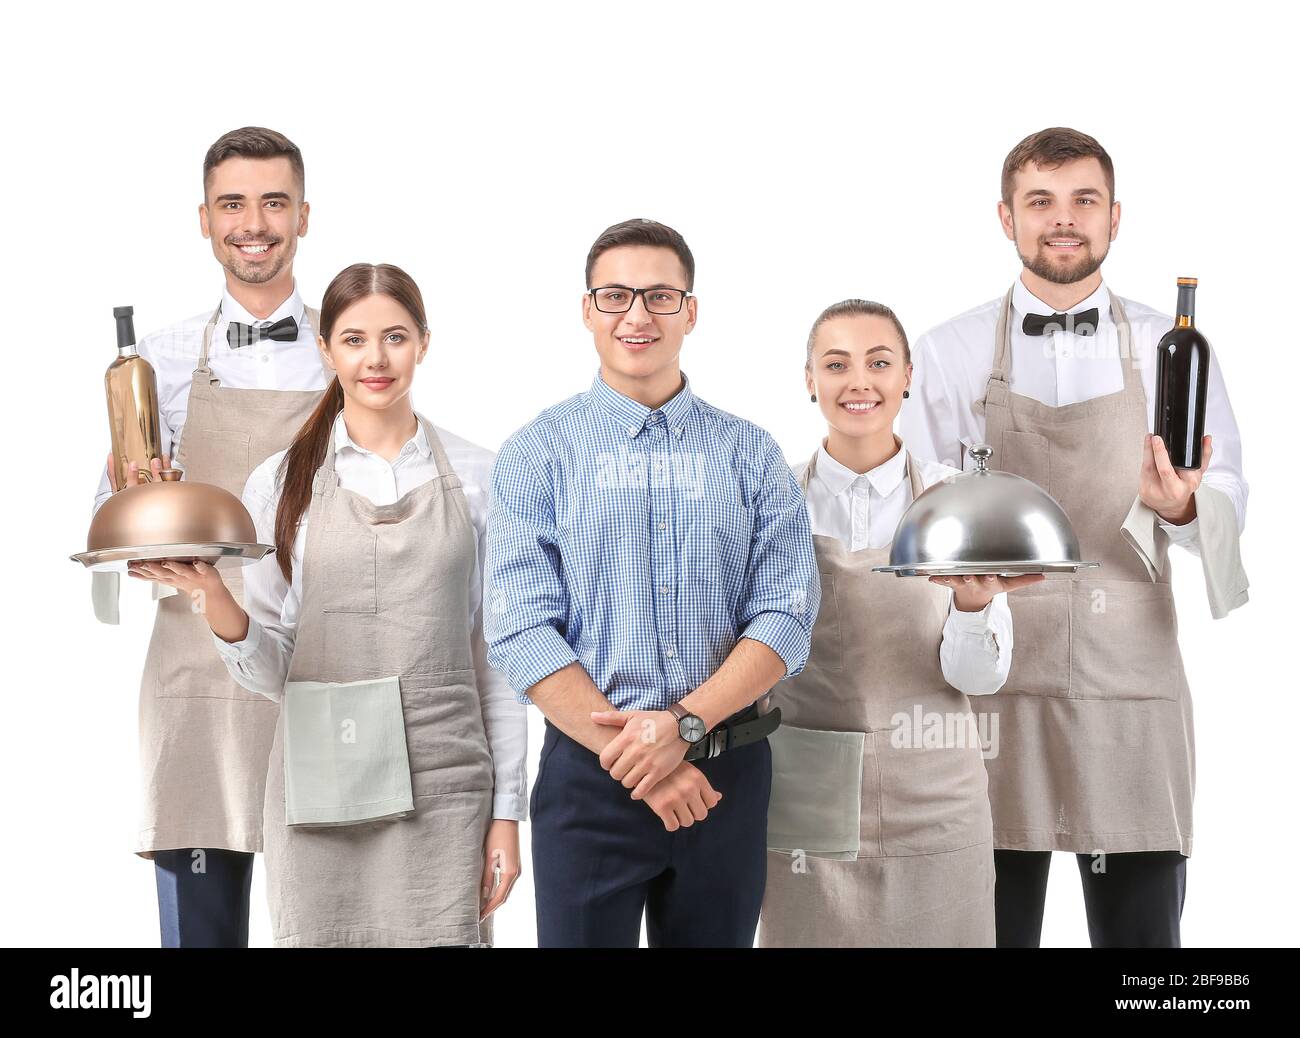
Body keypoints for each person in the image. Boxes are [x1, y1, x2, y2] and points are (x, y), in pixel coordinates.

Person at [901, 127, 1249, 948]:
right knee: (983, 929)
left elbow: (1227, 485)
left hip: (1132, 681)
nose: (1064, 221)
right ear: (1006, 217)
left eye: (1084, 201)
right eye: (1041, 202)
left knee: (1145, 957)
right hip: (986, 681)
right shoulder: (948, 351)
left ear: (1115, 217)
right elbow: (914, 508)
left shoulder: (1176, 352)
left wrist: (1182, 510)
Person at [128, 263, 526, 947]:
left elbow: (497, 666)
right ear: (326, 349)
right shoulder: (279, 484)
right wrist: (214, 595)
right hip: (320, 786)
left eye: (395, 337)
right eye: (354, 340)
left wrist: (507, 816)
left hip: (446, 781)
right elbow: (273, 670)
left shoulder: (482, 477)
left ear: (425, 344)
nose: (376, 359)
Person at [485, 218, 820, 947]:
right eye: (615, 295)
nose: (636, 315)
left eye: (660, 296)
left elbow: (785, 618)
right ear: (587, 310)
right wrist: (644, 759)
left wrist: (684, 728)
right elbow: (519, 629)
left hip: (726, 778)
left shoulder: (751, 454)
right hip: (588, 783)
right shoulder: (537, 454)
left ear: (690, 311)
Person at [91, 127, 330, 947]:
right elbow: (113, 522)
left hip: (327, 664)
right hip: (198, 673)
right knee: (201, 932)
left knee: (342, 915)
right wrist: (145, 510)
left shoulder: (354, 350)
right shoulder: (154, 360)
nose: (253, 222)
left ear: (304, 214)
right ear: (205, 219)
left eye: (273, 202)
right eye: (233, 203)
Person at [758, 299, 1042, 947]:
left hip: (935, 795)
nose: (859, 381)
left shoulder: (958, 501)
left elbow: (980, 677)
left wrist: (973, 606)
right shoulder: (772, 503)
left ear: (908, 375)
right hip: (809, 793)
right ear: (809, 380)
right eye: (837, 364)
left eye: (879, 362)